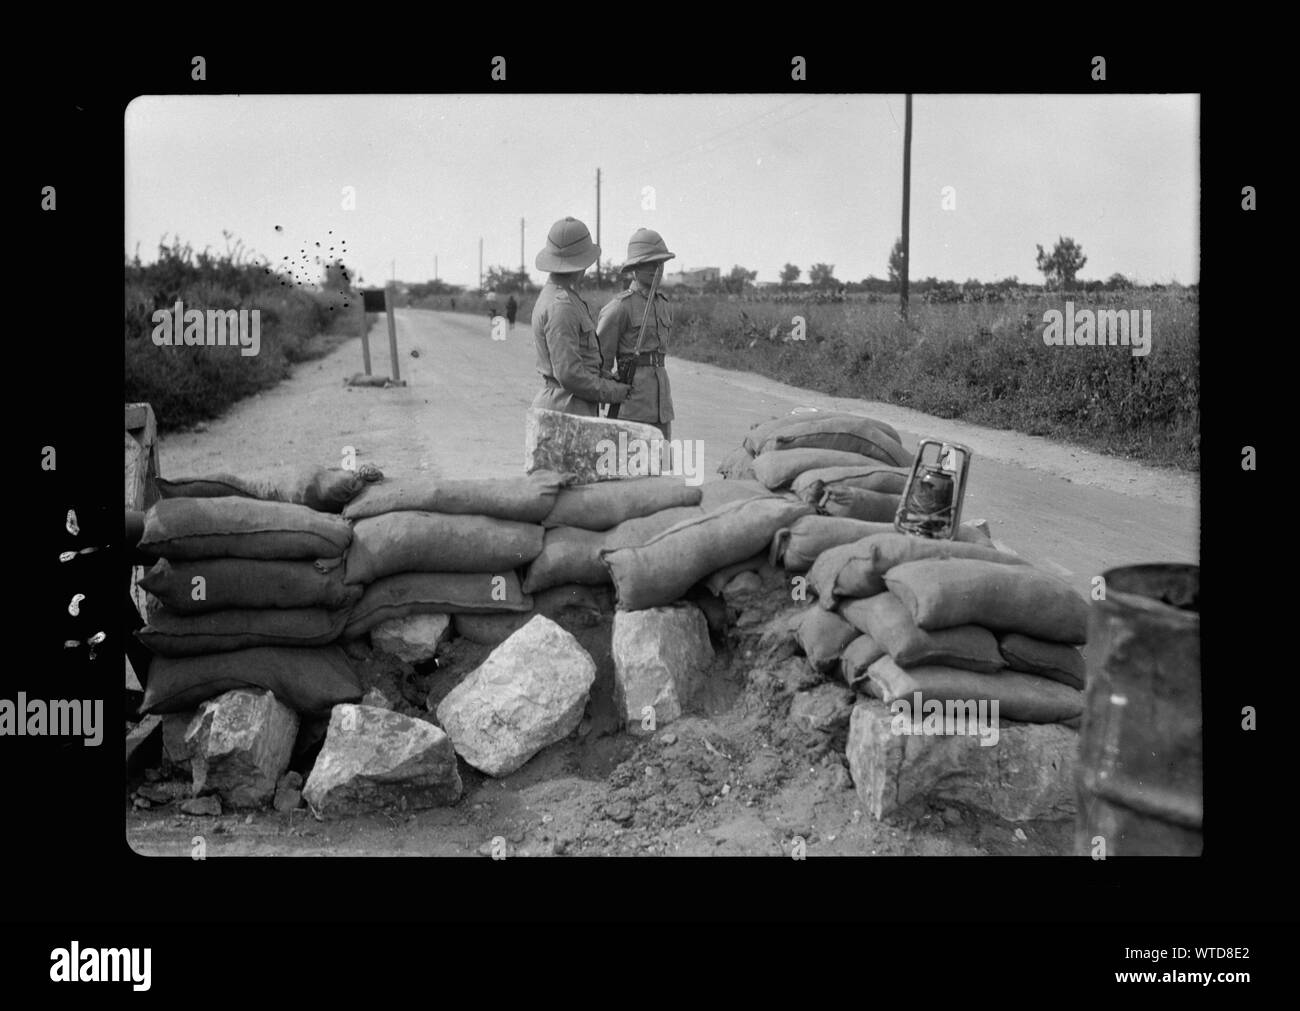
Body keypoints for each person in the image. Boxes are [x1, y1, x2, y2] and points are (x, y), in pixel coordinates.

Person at [531, 217, 630, 415]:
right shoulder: (562, 305)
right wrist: (615, 392)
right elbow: (569, 375)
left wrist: (605, 378)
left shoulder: (556, 296)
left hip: (566, 406)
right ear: (582, 264)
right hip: (566, 409)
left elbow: (577, 363)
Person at [596, 227, 676, 438]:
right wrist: (612, 390)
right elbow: (600, 362)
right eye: (649, 263)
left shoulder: (664, 305)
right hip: (632, 404)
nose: (656, 269)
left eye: (660, 263)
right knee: (629, 465)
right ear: (635, 268)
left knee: (659, 466)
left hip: (661, 403)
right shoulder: (620, 307)